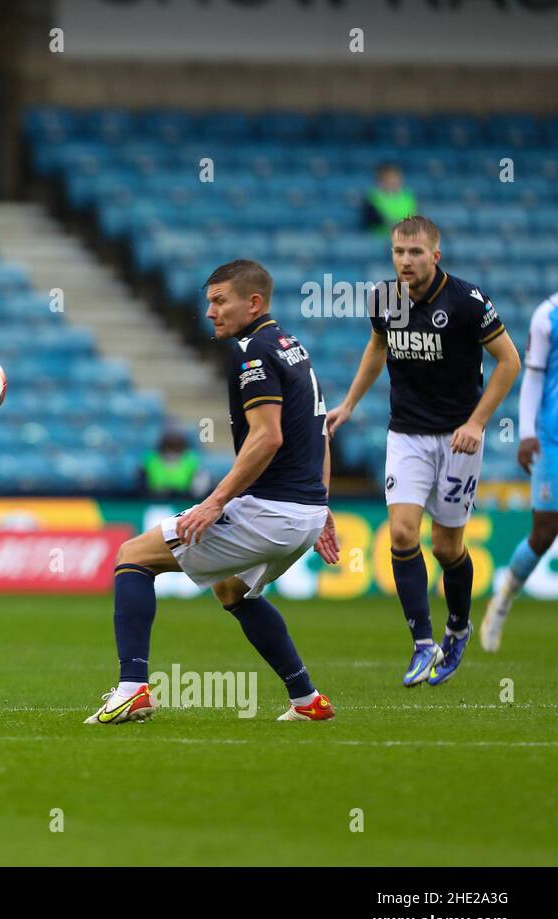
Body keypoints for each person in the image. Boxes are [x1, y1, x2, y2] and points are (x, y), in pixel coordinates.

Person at [86, 260, 337, 725]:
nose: (209, 311)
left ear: (254, 302)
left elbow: (269, 437)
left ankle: (132, 689)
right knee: (231, 592)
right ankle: (307, 700)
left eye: (220, 301)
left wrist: (214, 502)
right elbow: (320, 429)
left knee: (133, 557)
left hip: (272, 511)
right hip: (301, 513)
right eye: (208, 301)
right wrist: (322, 504)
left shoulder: (252, 351)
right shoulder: (292, 346)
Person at [326, 216, 520, 687]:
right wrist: (349, 403)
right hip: (407, 434)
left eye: (415, 253)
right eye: (398, 252)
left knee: (447, 546)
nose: (405, 261)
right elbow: (378, 347)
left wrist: (476, 422)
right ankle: (422, 643)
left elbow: (509, 362)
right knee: (401, 534)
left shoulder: (468, 302)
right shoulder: (385, 299)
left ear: (435, 255)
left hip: (458, 437)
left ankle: (458, 627)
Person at [479, 290, 558, 651]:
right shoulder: (548, 316)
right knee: (544, 532)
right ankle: (504, 597)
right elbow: (534, 379)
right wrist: (526, 434)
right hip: (551, 438)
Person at [140, 428, 211, 498]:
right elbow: (143, 484)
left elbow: (197, 490)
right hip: (155, 499)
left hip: (184, 500)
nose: (172, 452)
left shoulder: (190, 460)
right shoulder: (151, 460)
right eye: (168, 447)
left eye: (177, 448)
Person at [362, 163, 417, 237]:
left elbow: (416, 217)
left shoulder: (408, 196)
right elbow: (372, 220)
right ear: (380, 181)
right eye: (388, 178)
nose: (392, 181)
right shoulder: (373, 197)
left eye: (395, 178)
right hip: (380, 237)